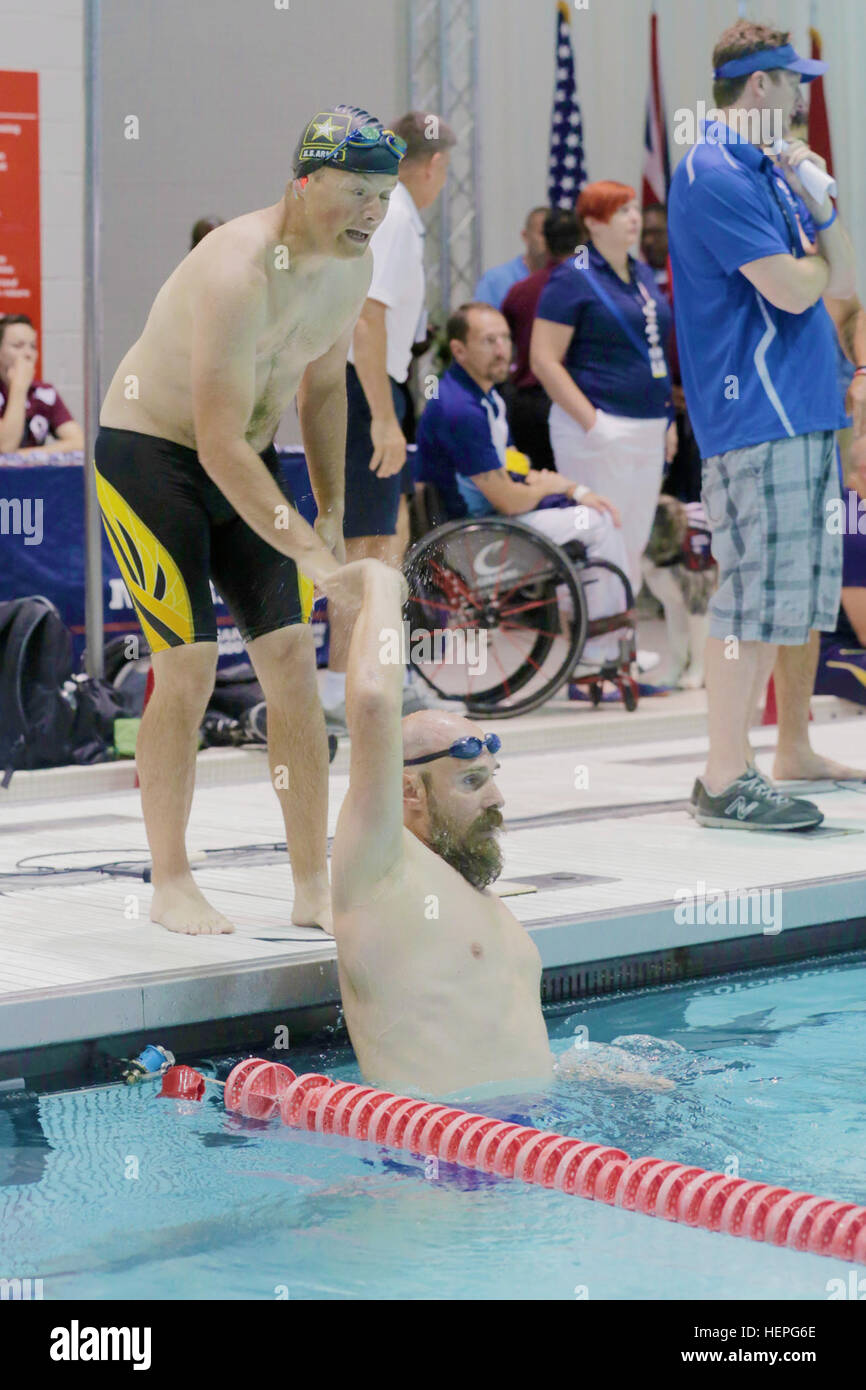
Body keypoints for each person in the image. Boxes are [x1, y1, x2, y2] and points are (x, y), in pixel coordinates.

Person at [95, 104, 405, 935]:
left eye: (386, 194)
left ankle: (310, 885)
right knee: (189, 666)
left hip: (246, 462)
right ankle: (170, 881)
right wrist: (307, 552)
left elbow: (324, 388)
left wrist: (332, 516)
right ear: (303, 185)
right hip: (151, 458)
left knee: (293, 674)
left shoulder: (350, 268)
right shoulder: (237, 268)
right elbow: (219, 440)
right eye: (357, 192)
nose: (374, 213)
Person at [330, 558, 671, 1096]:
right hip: (437, 1161)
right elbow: (373, 703)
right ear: (408, 791)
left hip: (530, 1143)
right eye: (470, 782)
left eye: (492, 777)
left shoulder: (477, 898)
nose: (498, 798)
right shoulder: (380, 869)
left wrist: (582, 1077)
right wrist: (380, 583)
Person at [667, 21, 861, 830]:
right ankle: (723, 775)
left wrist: (827, 208)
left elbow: (838, 269)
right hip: (760, 415)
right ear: (759, 88)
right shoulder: (715, 169)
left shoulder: (767, 166)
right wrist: (819, 257)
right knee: (751, 598)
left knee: (795, 597)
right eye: (796, 82)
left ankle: (788, 750)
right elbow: (796, 287)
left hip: (803, 407)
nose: (806, 96)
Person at [321, 111, 457, 730]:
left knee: (382, 537)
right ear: (432, 165)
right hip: (364, 386)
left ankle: (368, 674)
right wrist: (382, 417)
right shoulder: (397, 213)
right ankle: (345, 683)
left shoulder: (390, 211)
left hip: (372, 383)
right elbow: (368, 320)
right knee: (367, 542)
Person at [415, 302, 631, 672]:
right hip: (471, 541)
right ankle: (598, 651)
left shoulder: (488, 398)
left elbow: (515, 473)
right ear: (459, 350)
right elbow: (509, 500)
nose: (502, 349)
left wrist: (564, 490)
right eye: (488, 341)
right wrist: (563, 487)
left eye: (505, 339)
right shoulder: (460, 410)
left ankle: (595, 640)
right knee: (597, 522)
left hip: (488, 525)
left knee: (585, 513)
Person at [530, 181, 677, 601]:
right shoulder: (571, 277)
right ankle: (593, 646)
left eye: (635, 209)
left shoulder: (643, 273)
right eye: (621, 211)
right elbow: (543, 360)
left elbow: (654, 351)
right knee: (597, 538)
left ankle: (619, 643)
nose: (635, 218)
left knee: (633, 539)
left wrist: (665, 420)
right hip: (596, 425)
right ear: (592, 222)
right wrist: (594, 424)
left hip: (647, 426)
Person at [500, 208, 579, 472]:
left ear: (545, 239)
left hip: (526, 404)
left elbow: (506, 346)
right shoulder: (590, 291)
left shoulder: (520, 291)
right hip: (572, 401)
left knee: (531, 480)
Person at [0, 315, 84, 455]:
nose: (28, 354)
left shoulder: (45, 393)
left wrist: (28, 456)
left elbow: (79, 443)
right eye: (18, 346)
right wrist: (19, 388)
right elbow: (5, 446)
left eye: (33, 346)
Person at [473, 207, 550, 310]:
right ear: (525, 236)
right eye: (544, 234)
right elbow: (479, 323)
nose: (550, 240)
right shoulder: (496, 281)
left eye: (556, 235)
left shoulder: (569, 279)